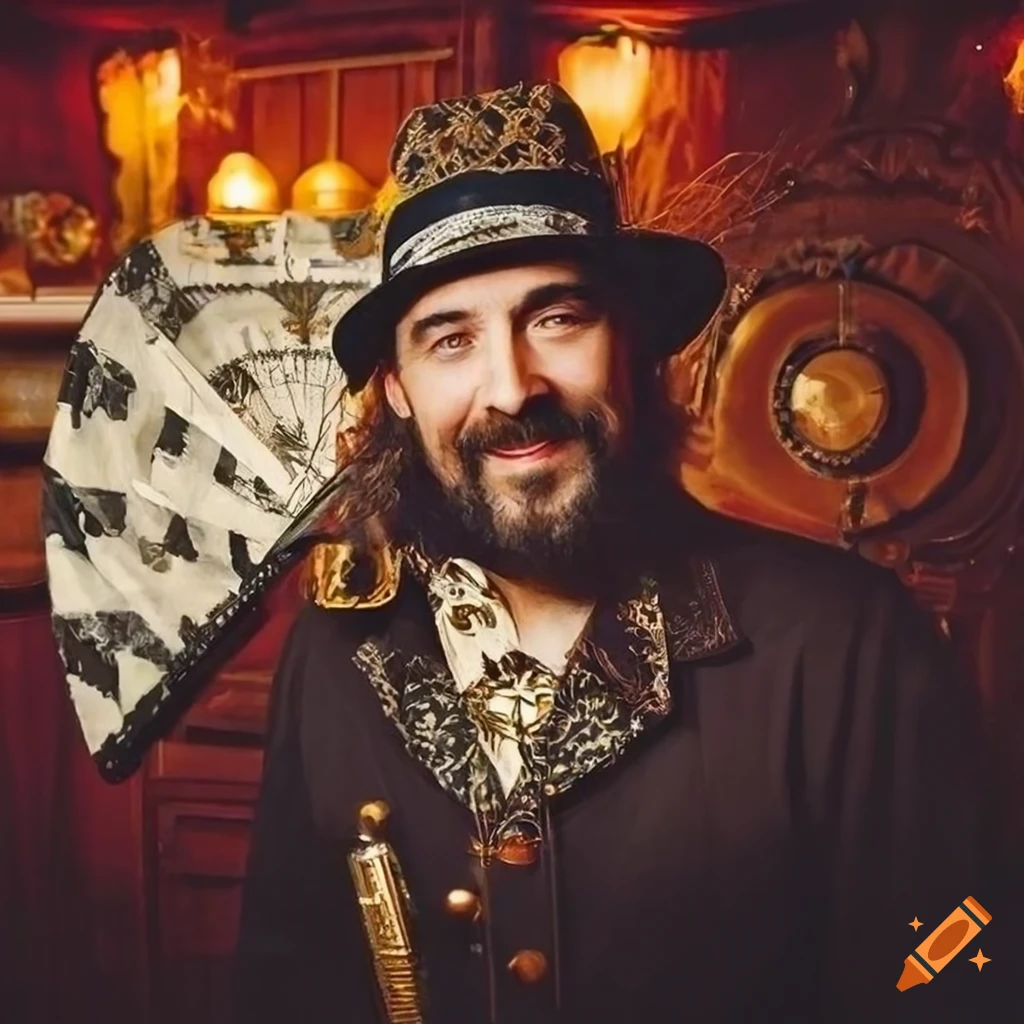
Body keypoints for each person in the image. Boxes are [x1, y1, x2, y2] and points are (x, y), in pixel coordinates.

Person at [234, 81, 1000, 1023]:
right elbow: (285, 988)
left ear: (633, 344)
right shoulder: (336, 652)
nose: (512, 386)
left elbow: (955, 991)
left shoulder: (847, 644)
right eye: (450, 339)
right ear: (396, 389)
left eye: (557, 318)